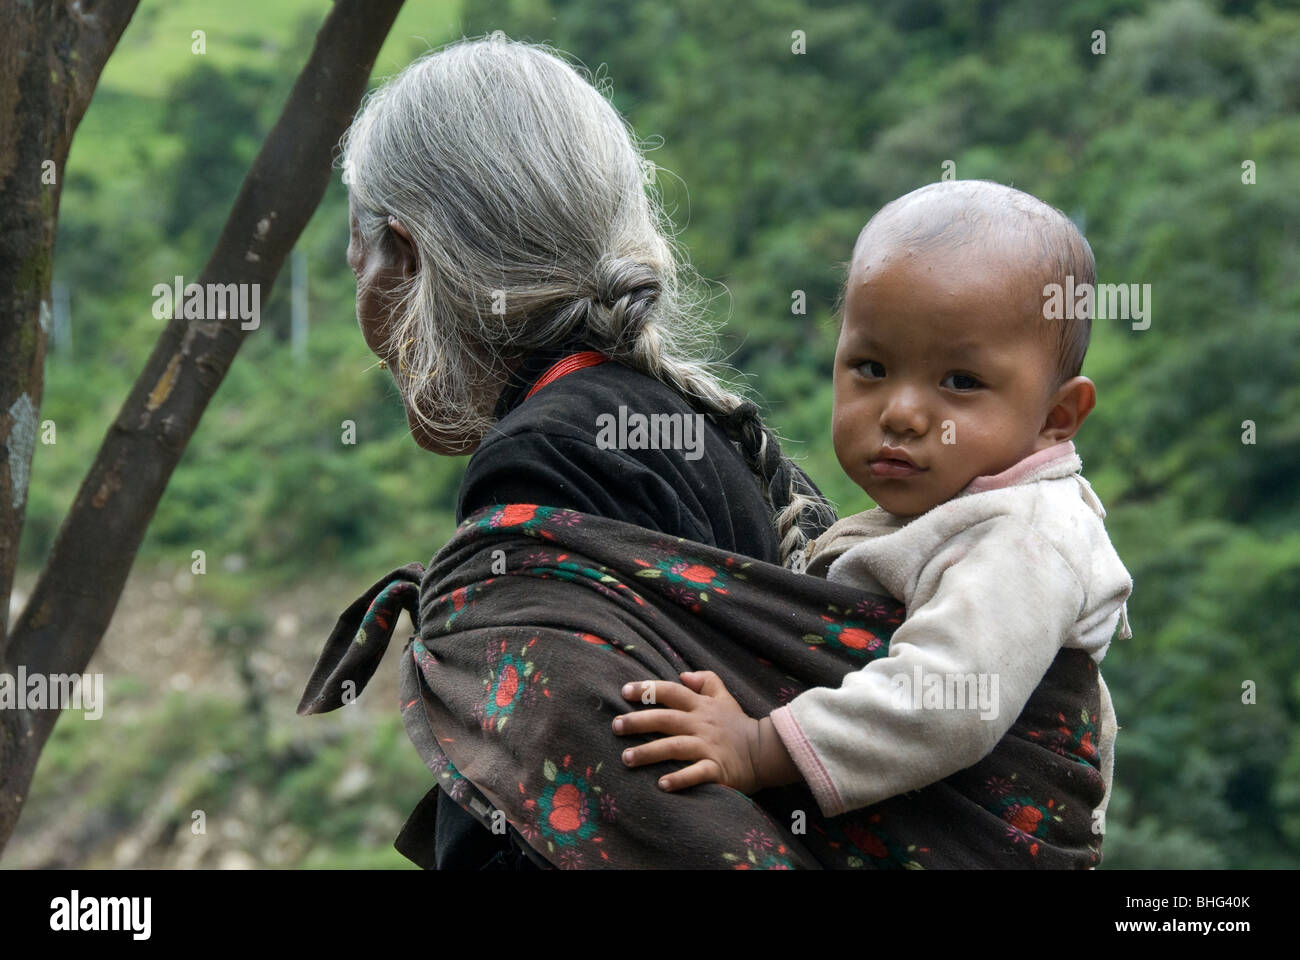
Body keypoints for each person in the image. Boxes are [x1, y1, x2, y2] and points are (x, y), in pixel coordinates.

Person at [340, 36, 832, 869]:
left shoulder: (547, 459)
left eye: (352, 248)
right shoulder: (688, 425)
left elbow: (567, 827)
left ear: (406, 257)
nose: (355, 284)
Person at [614, 180, 1132, 835]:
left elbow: (944, 701)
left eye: (961, 382)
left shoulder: (1029, 537)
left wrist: (755, 746)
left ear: (1058, 416)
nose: (902, 413)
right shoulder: (951, 508)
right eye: (871, 367)